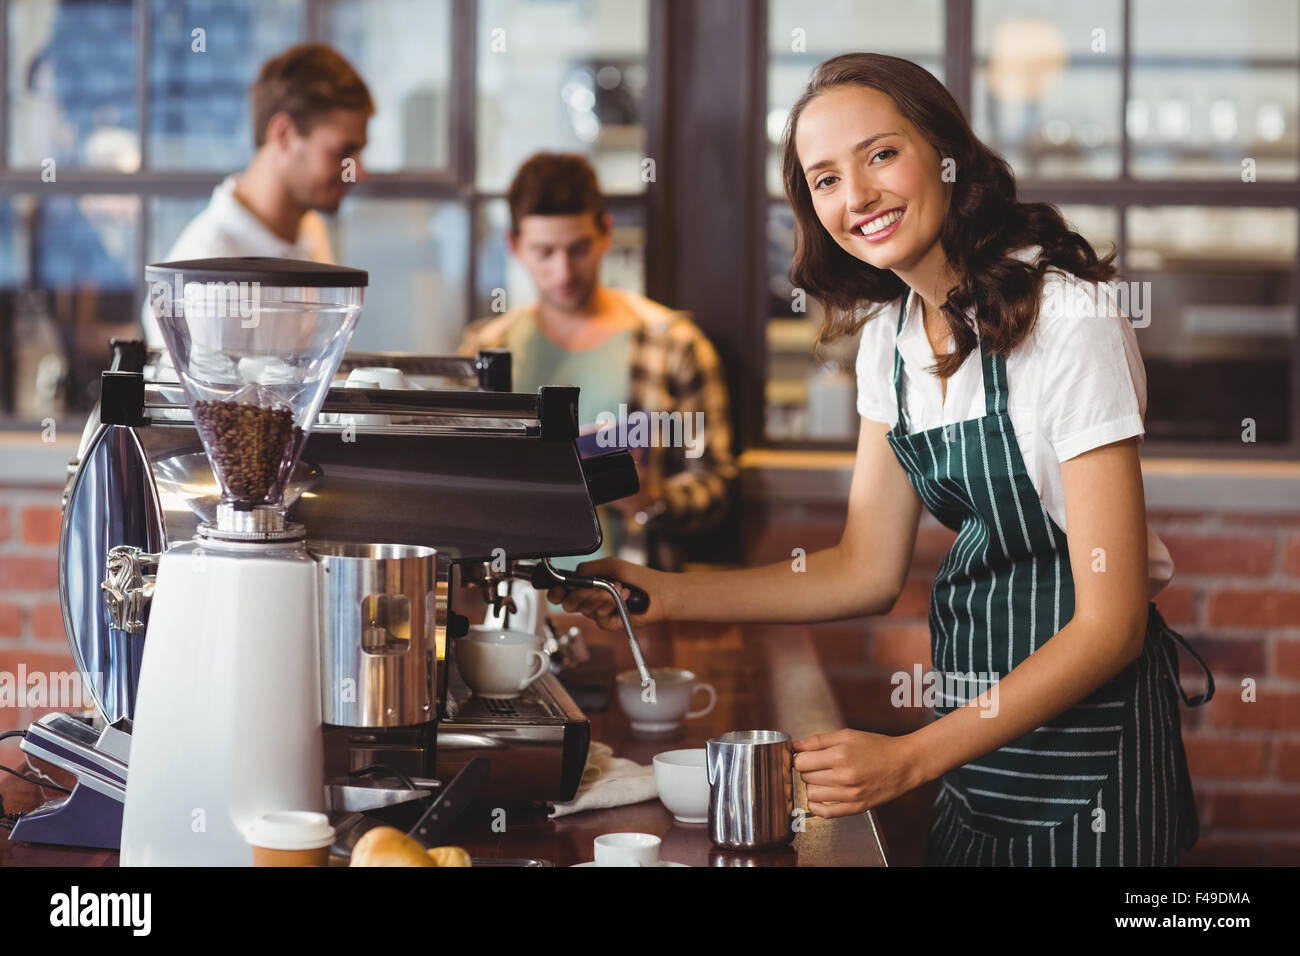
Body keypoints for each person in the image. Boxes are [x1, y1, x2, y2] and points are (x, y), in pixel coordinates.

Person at [552, 53, 1214, 867]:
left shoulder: (1067, 324)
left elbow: (1111, 626)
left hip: (1090, 751)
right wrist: (665, 594)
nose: (855, 196)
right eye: (823, 178)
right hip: (974, 746)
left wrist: (911, 755)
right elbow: (864, 568)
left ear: (945, 154)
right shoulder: (889, 343)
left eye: (879, 155)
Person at [459, 153, 737, 569]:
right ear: (513, 245)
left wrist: (653, 498)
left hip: (627, 592)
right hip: (508, 598)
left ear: (606, 233)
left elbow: (716, 488)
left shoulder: (674, 346)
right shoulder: (484, 349)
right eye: (544, 251)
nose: (563, 270)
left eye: (579, 248)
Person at [142, 43, 373, 347]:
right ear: (284, 135)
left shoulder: (308, 231)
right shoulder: (206, 280)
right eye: (345, 151)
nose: (358, 171)